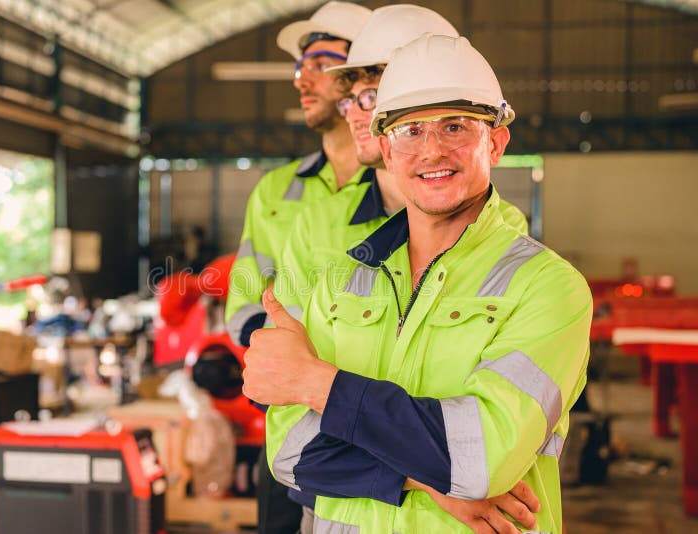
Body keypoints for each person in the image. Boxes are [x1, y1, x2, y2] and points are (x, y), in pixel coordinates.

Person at [244, 34, 592, 534]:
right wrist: (421, 478)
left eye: (455, 126)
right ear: (385, 149)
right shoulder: (343, 280)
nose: (431, 150)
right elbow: (290, 455)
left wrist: (315, 382)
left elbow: (480, 460)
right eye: (409, 131)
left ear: (495, 141)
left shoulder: (548, 287)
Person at [278, 4, 528, 320]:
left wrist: (322, 373)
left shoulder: (504, 229)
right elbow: (285, 351)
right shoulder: (316, 223)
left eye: (372, 96)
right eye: (351, 100)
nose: (355, 116)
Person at [224, 3, 371, 532]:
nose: (302, 77)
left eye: (322, 61)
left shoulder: (404, 191)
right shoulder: (276, 190)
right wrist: (288, 364)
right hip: (286, 426)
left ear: (367, 76)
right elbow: (244, 298)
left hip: (369, 420)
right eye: (299, 65)